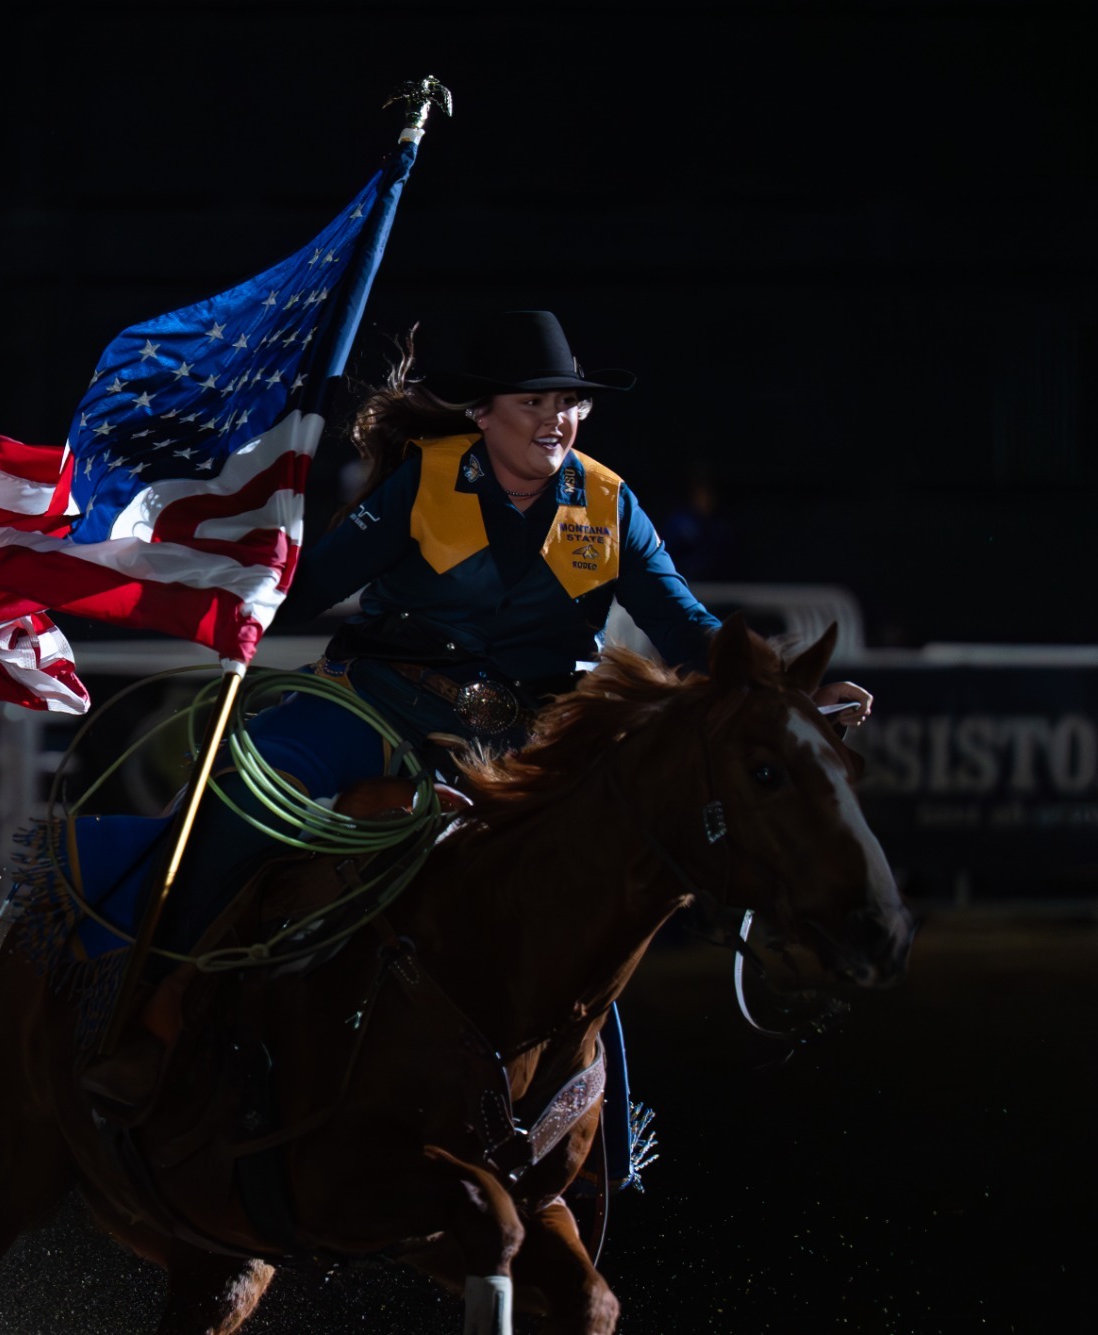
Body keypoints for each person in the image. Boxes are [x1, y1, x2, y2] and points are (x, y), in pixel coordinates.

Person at [78, 311, 873, 1179]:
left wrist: (789, 697)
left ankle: (596, 1117)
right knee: (235, 797)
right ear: (483, 413)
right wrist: (246, 585)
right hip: (380, 710)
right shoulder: (424, 482)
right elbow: (313, 591)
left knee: (598, 895)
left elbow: (689, 628)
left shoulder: (610, 504)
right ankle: (159, 1017)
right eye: (535, 400)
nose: (556, 418)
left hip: (529, 745)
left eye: (568, 401)